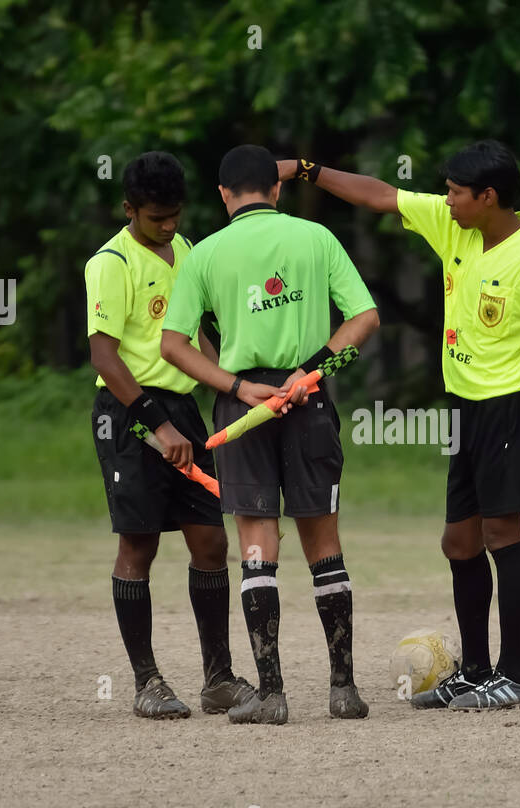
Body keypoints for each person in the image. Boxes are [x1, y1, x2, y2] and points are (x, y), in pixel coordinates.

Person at [278, 140, 520, 710]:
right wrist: (307, 170)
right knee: (458, 541)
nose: (446, 200)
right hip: (464, 409)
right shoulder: (456, 228)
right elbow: (379, 196)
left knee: (501, 535)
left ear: (487, 197)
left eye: (455, 192)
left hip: (511, 406)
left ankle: (513, 676)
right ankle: (473, 670)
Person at [161, 144, 381, 725]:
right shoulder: (317, 238)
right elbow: (364, 319)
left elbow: (173, 345)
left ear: (224, 195)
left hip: (243, 412)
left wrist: (235, 387)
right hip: (306, 402)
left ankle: (273, 693)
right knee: (324, 544)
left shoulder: (203, 255)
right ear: (276, 189)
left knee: (258, 545)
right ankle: (343, 690)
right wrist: (314, 373)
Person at [86, 151, 256, 719]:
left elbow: (195, 337)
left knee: (210, 542)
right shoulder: (110, 263)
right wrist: (155, 423)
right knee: (140, 543)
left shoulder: (185, 252)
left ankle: (218, 678)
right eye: (156, 216)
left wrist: (230, 395)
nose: (168, 225)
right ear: (129, 208)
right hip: (130, 411)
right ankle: (147, 682)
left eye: (175, 215)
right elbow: (105, 357)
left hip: (181, 411)